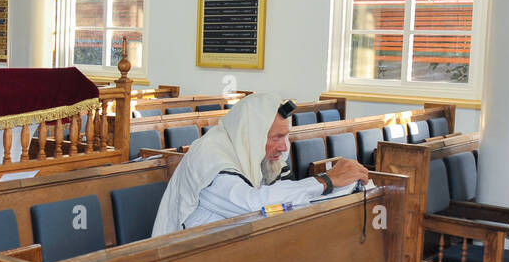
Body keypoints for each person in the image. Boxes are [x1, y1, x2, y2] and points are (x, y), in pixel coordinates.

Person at [151, 93, 370, 236]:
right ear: (251, 135)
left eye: (286, 137)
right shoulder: (210, 157)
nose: (284, 147)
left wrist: (345, 188)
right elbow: (254, 206)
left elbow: (285, 204)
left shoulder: (258, 155)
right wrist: (326, 181)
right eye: (276, 137)